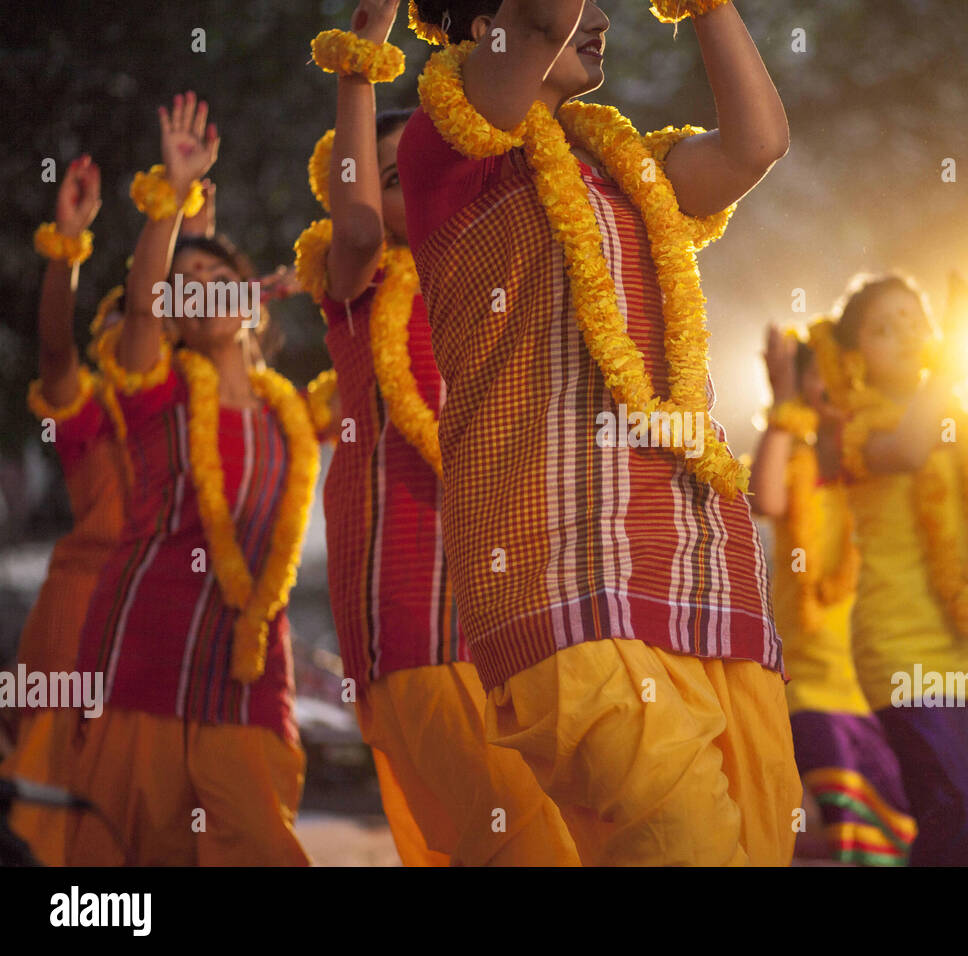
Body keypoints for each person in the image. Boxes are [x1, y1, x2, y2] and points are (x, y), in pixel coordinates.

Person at [397, 0, 800, 864]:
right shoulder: (445, 153)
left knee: (757, 847)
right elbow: (542, 23)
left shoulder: (627, 171)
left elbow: (756, 144)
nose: (600, 16)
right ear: (483, 28)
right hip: (560, 569)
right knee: (690, 848)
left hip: (698, 571)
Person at [300, 0, 577, 865]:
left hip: (515, 610)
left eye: (409, 170)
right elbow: (352, 218)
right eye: (388, 177)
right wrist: (362, 64)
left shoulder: (487, 279)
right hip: (416, 609)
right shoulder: (364, 282)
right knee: (512, 844)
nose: (405, 188)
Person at [65, 93, 319, 866]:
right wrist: (172, 197)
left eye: (217, 273)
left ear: (248, 300)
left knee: (260, 847)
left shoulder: (293, 413)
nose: (199, 283)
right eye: (186, 278)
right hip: (149, 648)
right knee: (128, 859)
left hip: (248, 667)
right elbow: (141, 298)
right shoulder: (155, 391)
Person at [814, 272, 968, 866]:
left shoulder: (954, 415)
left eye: (915, 320)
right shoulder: (849, 425)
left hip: (962, 641)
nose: (906, 334)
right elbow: (909, 449)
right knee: (954, 801)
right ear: (857, 356)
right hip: (898, 639)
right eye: (885, 329)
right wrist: (949, 361)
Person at [0, 156, 128, 866]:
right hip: (78, 622)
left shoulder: (202, 417)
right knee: (47, 820)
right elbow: (54, 349)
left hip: (166, 630)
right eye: (121, 321)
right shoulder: (93, 416)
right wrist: (68, 246)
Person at [750, 327, 916, 865]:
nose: (831, 385)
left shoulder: (872, 462)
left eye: (839, 373)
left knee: (891, 834)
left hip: (874, 679)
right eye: (816, 373)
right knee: (850, 825)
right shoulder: (794, 460)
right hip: (811, 681)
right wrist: (779, 405)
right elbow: (764, 495)